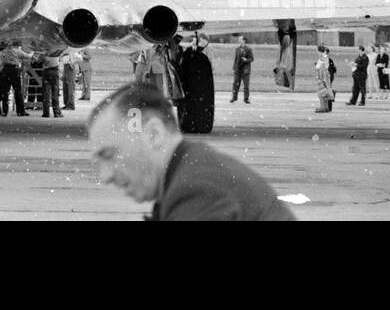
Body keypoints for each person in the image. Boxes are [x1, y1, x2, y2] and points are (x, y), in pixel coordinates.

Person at [88, 83, 296, 221]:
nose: (105, 176)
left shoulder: (196, 189)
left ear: (154, 134)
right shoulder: (192, 170)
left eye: (110, 155)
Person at [0, 43, 27, 116]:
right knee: (18, 91)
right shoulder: (17, 51)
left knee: (5, 92)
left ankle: (5, 111)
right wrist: (32, 53)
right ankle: (20, 111)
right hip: (14, 70)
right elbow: (27, 56)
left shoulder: (3, 52)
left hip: (6, 70)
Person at [230, 36, 253, 103]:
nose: (239, 41)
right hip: (238, 69)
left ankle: (246, 99)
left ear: (244, 41)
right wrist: (234, 68)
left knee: (246, 85)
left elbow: (252, 59)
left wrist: (246, 60)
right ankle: (234, 97)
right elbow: (236, 59)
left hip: (245, 70)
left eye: (240, 39)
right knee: (235, 84)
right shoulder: (237, 49)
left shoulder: (248, 49)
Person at [40, 52, 63, 118]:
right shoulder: (57, 52)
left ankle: (46, 113)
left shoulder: (44, 52)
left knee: (46, 93)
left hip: (46, 72)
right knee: (55, 93)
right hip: (55, 72)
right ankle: (57, 113)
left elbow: (40, 60)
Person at [313, 45, 333, 113]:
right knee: (324, 93)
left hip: (322, 76)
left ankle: (322, 107)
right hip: (324, 76)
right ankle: (326, 107)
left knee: (321, 93)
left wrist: (321, 78)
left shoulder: (323, 57)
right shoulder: (324, 56)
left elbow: (322, 67)